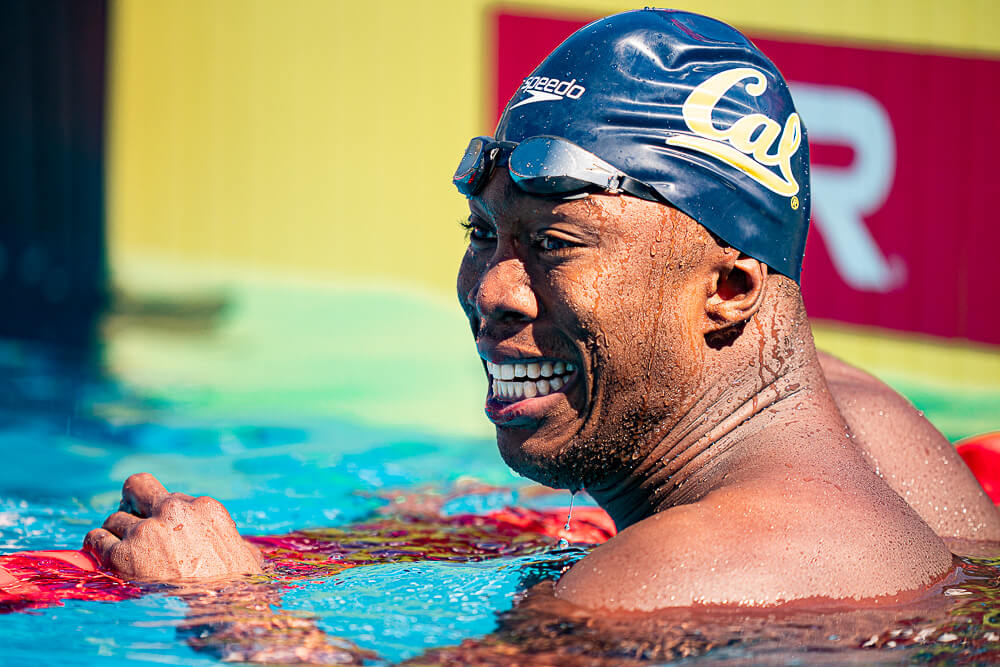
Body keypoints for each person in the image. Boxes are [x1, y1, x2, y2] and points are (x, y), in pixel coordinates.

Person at [79, 9, 999, 611]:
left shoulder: (651, 588)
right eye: (483, 232)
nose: (490, 292)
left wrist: (229, 607)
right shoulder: (871, 431)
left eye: (556, 245)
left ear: (727, 291)